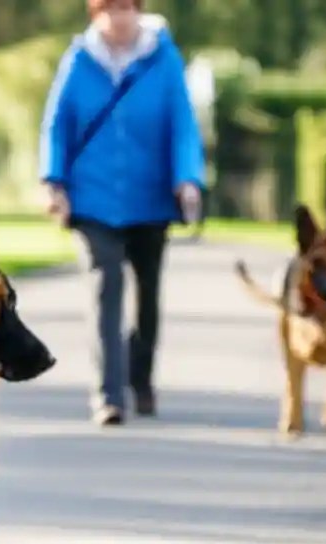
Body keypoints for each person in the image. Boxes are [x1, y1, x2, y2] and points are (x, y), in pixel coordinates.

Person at [39, 0, 205, 427]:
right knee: (104, 287)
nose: (119, 16)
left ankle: (141, 378)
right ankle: (108, 395)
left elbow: (183, 124)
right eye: (109, 8)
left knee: (147, 296)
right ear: (96, 15)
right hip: (93, 198)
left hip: (151, 198)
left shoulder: (163, 59)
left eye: (126, 7)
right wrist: (52, 181)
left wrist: (187, 179)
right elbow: (56, 125)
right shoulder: (78, 60)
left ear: (139, 11)